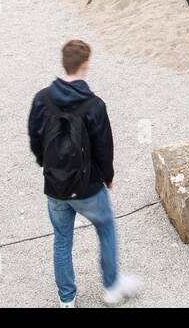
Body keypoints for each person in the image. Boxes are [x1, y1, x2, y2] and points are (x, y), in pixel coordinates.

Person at [28, 40, 141, 308]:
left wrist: (45, 163)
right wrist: (108, 176)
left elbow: (35, 137)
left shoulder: (41, 99)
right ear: (85, 65)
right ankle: (111, 286)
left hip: (55, 184)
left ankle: (67, 297)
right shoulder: (94, 105)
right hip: (87, 186)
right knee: (106, 227)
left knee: (62, 239)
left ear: (63, 63)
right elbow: (104, 147)